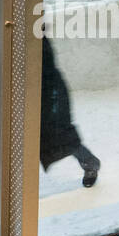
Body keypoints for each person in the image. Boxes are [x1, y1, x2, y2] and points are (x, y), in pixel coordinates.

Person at [39, 35, 100, 187]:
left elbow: (46, 68)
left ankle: (90, 163)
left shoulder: (37, 41)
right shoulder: (12, 38)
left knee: (61, 135)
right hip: (31, 93)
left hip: (51, 92)